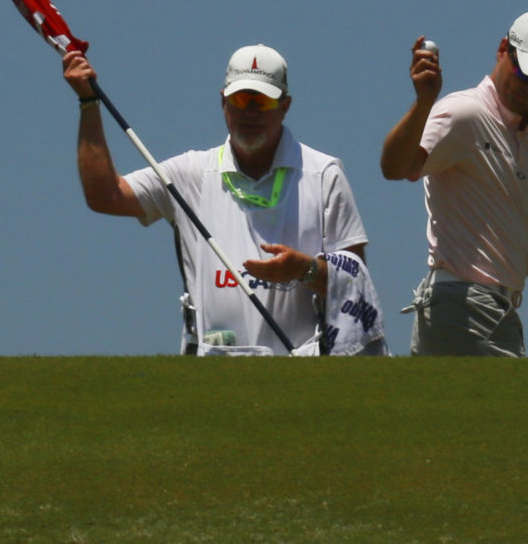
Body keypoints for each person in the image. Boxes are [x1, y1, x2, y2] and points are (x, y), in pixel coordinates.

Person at [64, 43, 377, 355]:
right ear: (223, 102)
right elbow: (105, 195)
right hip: (213, 375)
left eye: (263, 101)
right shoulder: (191, 172)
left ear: (285, 106)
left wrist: (305, 270)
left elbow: (356, 289)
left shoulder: (324, 174)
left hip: (303, 369)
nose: (250, 111)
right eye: (241, 99)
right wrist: (89, 101)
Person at [379, 11, 528, 356]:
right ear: (502, 49)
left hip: (497, 309)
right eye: (524, 71)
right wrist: (424, 103)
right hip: (460, 303)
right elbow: (396, 168)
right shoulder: (463, 113)